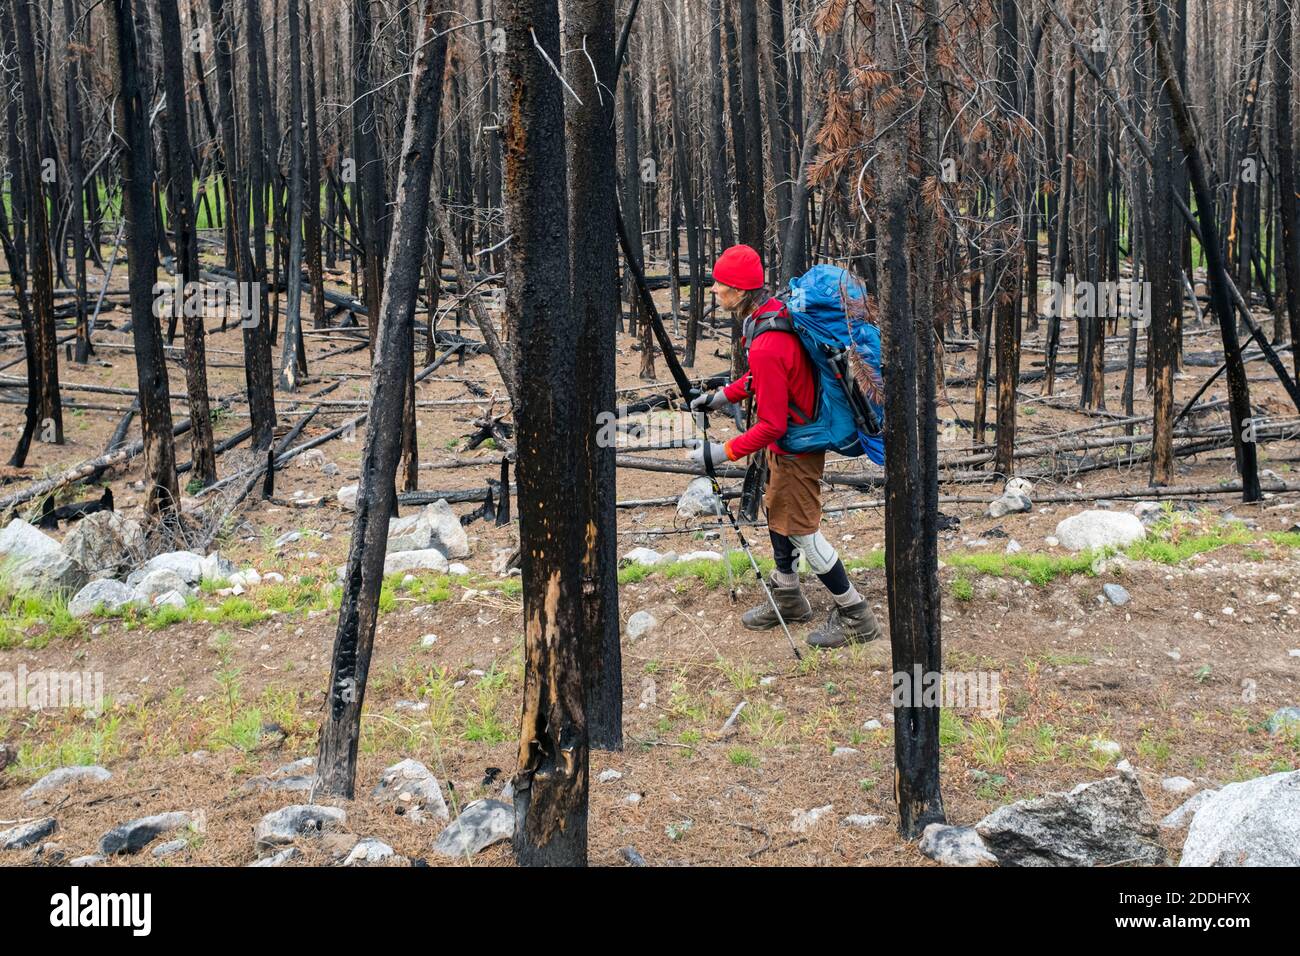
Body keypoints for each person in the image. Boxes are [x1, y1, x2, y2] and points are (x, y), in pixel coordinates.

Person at [687, 244, 883, 648]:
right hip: (793, 437)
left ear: (740, 292)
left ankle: (855, 613)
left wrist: (720, 453)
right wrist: (722, 396)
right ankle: (789, 595)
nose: (714, 291)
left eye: (719, 285)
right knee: (777, 511)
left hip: (797, 444)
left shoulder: (766, 341)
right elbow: (766, 380)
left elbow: (773, 424)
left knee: (804, 531)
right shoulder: (769, 316)